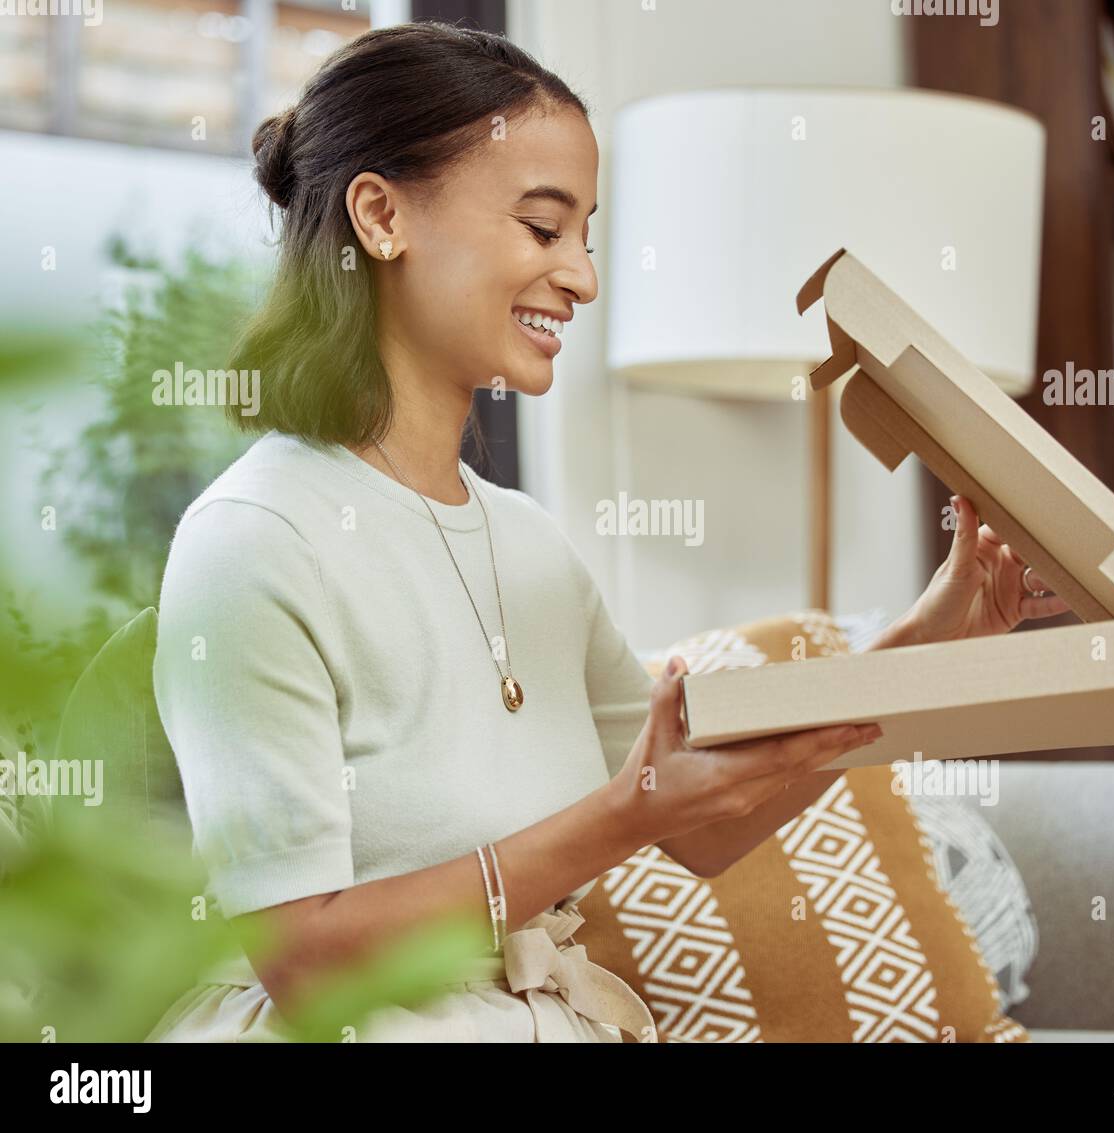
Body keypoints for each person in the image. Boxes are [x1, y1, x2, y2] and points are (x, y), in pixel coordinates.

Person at [146, 21, 1067, 1044]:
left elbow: (711, 819)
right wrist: (624, 813)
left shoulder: (530, 541)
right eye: (544, 230)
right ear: (380, 215)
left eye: (586, 235)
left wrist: (924, 651)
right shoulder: (253, 540)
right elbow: (307, 965)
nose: (583, 277)